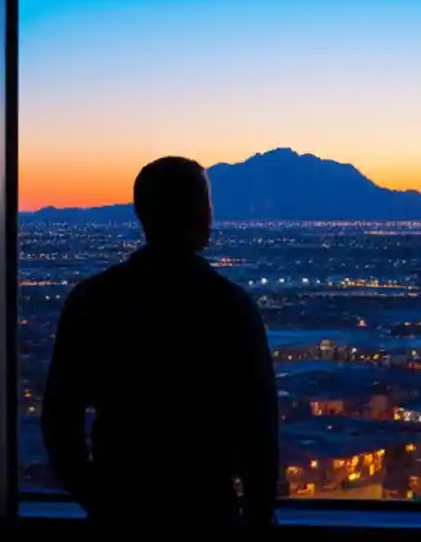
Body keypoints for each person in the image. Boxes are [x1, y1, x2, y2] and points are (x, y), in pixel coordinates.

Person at [42, 156, 279, 536]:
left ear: (141, 212)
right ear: (201, 212)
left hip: (120, 510)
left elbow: (59, 419)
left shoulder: (94, 300)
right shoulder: (227, 306)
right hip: (205, 510)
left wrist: (97, 498)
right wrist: (257, 516)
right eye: (205, 204)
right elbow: (259, 429)